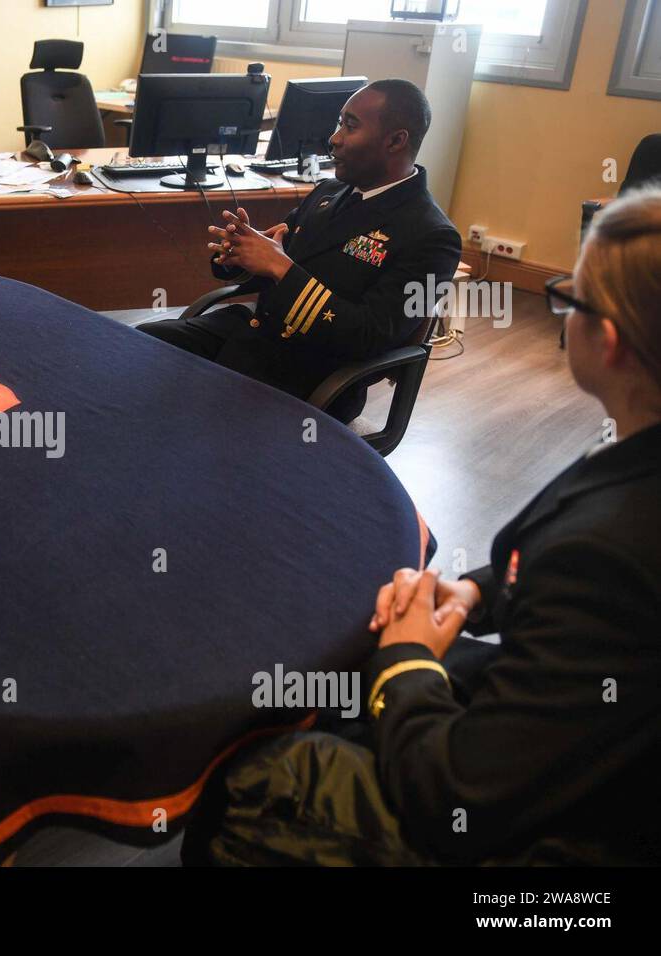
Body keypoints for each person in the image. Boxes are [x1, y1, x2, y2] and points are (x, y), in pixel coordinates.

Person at [184, 186, 661, 866]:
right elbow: (563, 563)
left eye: (568, 296)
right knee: (332, 687)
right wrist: (474, 593)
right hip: (575, 726)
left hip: (548, 838)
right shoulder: (635, 450)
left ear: (608, 341)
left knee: (248, 791)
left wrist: (406, 658)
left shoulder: (611, 554)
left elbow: (459, 796)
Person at [141, 79, 461, 423]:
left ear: (396, 141)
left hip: (313, 373)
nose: (335, 138)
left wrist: (280, 266)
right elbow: (274, 257)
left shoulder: (433, 236)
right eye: (340, 123)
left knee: (176, 410)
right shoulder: (329, 192)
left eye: (350, 126)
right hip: (251, 333)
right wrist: (238, 253)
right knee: (131, 348)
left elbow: (369, 336)